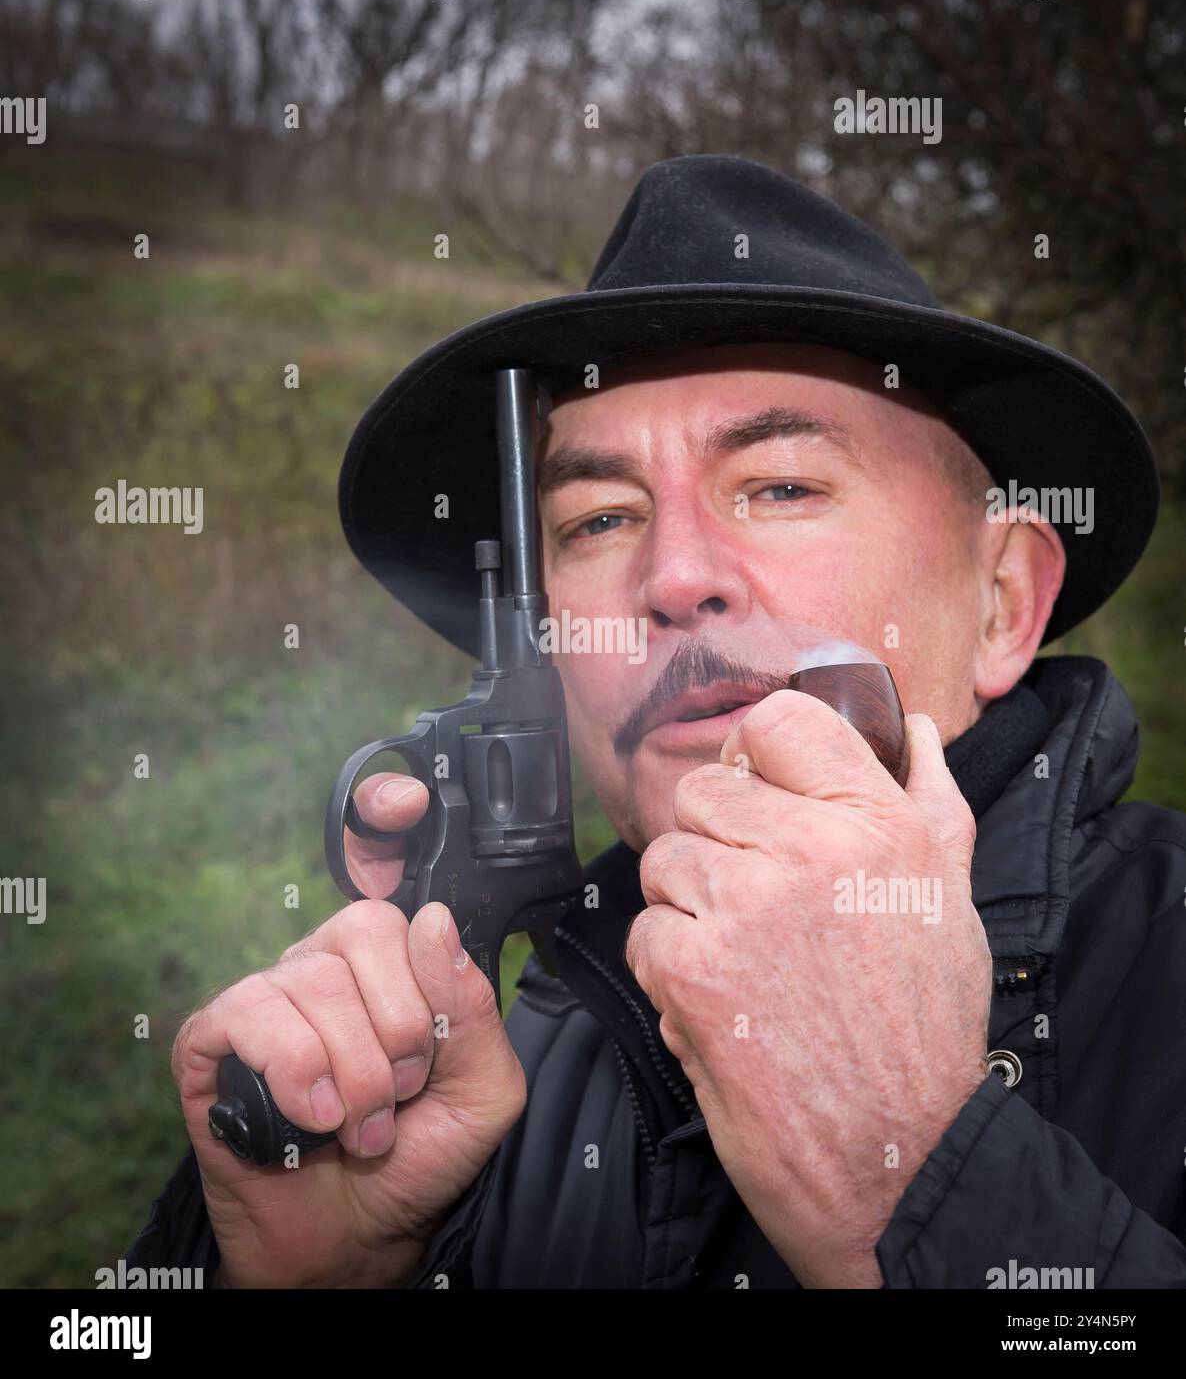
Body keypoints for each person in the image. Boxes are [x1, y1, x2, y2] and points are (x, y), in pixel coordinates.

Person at [127, 154, 1186, 1288]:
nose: (674, 576)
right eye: (597, 520)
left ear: (1003, 603)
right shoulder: (478, 1085)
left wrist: (920, 1180)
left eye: (780, 486)